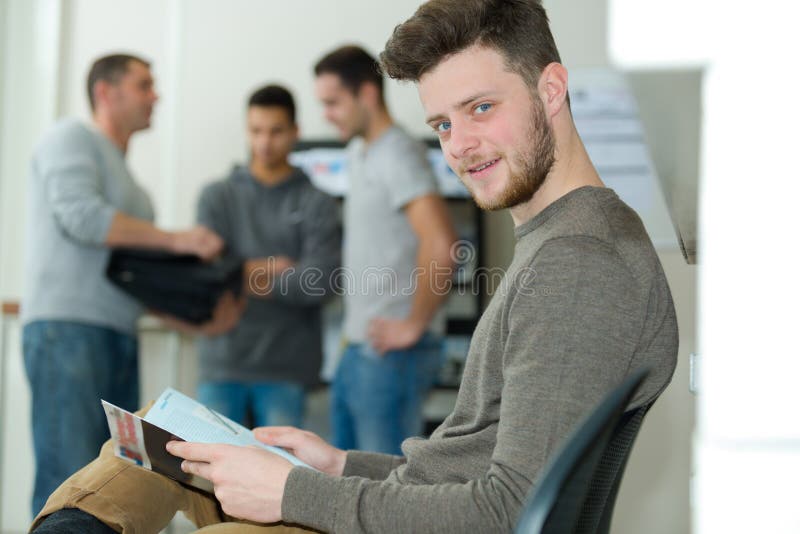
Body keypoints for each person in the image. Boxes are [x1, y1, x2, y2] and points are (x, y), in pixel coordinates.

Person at [30, 1, 679, 532]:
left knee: (166, 477)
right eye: (443, 124)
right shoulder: (563, 242)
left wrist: (296, 495)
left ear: (552, 88)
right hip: (391, 500)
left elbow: (506, 510)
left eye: (482, 108)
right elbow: (473, 472)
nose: (461, 146)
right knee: (153, 448)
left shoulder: (577, 264)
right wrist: (338, 466)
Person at [21, 53, 227, 517]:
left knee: (109, 482)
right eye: (144, 85)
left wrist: (193, 322)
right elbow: (82, 218)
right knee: (65, 477)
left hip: (116, 335)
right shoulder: (69, 137)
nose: (156, 95)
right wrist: (180, 240)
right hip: (65, 332)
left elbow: (135, 278)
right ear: (105, 92)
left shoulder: (135, 190)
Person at [314, 45, 458, 454]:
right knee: (341, 489)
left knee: (385, 497)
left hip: (392, 356)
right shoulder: (361, 152)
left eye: (333, 103)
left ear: (367, 94)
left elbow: (442, 242)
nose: (326, 114)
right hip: (359, 351)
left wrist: (413, 324)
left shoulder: (397, 152)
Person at [194, 84, 340, 428]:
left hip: (286, 368)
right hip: (221, 362)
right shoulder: (216, 197)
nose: (264, 142)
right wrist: (277, 269)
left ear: (295, 132)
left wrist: (237, 275)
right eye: (256, 131)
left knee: (278, 476)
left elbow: (319, 283)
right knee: (206, 476)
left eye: (276, 131)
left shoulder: (317, 202)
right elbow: (206, 278)